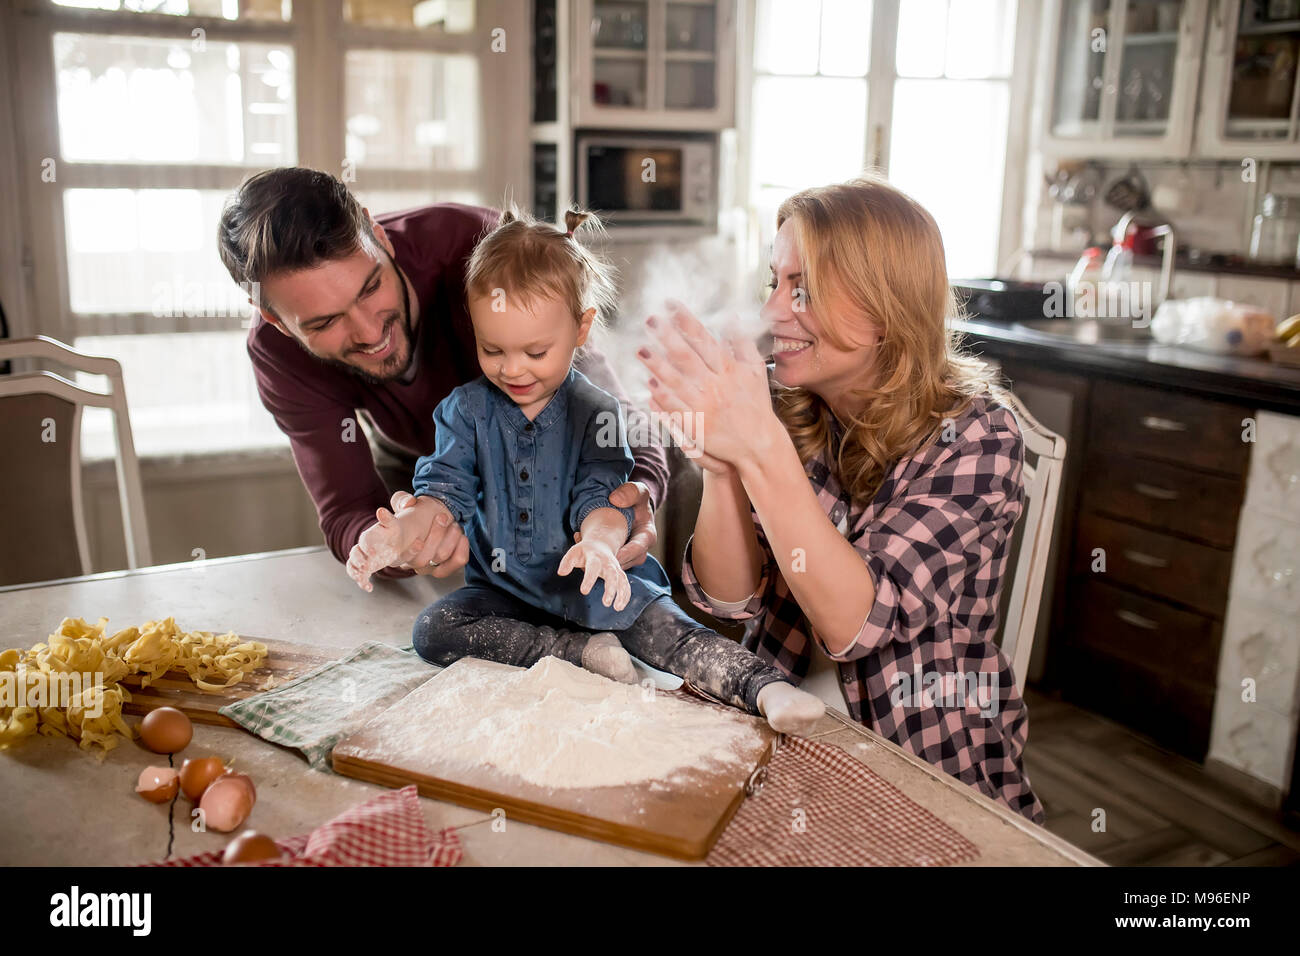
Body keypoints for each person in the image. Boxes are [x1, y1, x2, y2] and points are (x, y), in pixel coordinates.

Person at [637, 176, 1045, 823]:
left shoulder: (979, 437)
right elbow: (727, 597)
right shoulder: (788, 406)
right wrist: (721, 465)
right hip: (778, 728)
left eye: (802, 288)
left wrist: (759, 447)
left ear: (886, 304)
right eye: (773, 282)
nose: (772, 312)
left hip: (922, 767)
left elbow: (855, 625)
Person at [346, 208, 827, 735]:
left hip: (598, 582)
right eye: (493, 349)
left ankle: (766, 688)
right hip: (506, 593)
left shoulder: (595, 412)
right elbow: (443, 494)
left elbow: (604, 497)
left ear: (581, 329)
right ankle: (578, 652)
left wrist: (599, 546)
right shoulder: (463, 412)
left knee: (673, 633)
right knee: (434, 629)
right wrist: (397, 535)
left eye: (535, 351)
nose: (513, 369)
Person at [217, 168, 668, 581]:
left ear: (380, 237)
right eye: (324, 323)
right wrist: (395, 547)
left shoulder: (480, 250)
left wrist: (635, 497)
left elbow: (616, 421)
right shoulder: (276, 352)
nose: (371, 333)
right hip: (417, 467)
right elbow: (348, 511)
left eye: (371, 288)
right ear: (276, 321)